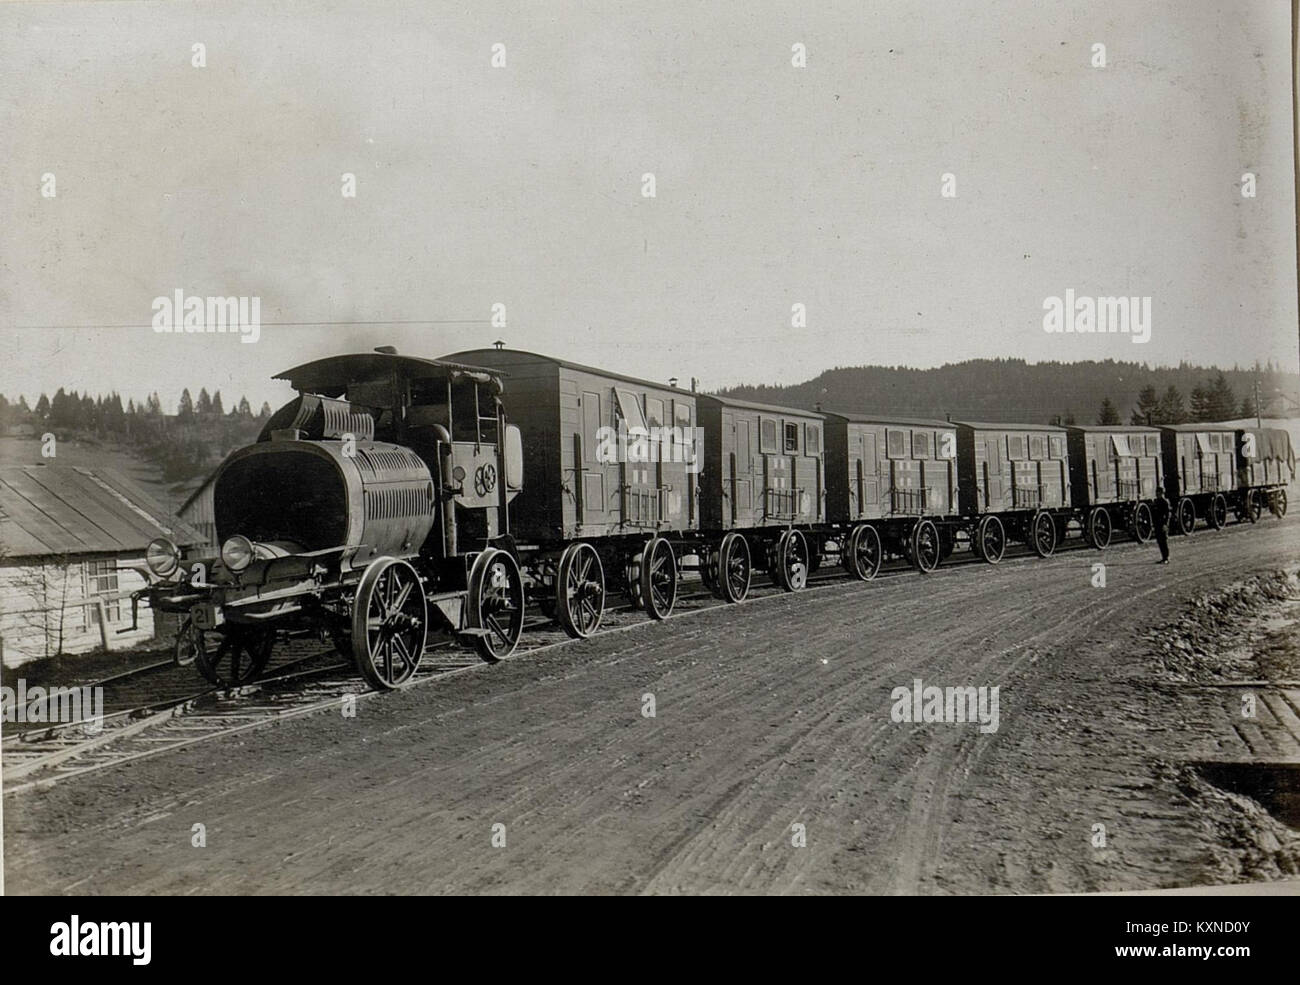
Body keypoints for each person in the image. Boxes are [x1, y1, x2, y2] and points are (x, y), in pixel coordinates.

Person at [1150, 488, 1171, 564]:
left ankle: (1166, 558)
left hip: (1162, 524)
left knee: (1164, 541)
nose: (1157, 494)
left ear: (1162, 493)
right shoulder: (1156, 502)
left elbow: (1167, 514)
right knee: (1160, 541)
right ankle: (1163, 557)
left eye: (1159, 492)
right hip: (1157, 524)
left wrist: (1165, 524)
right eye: (1157, 492)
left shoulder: (1165, 502)